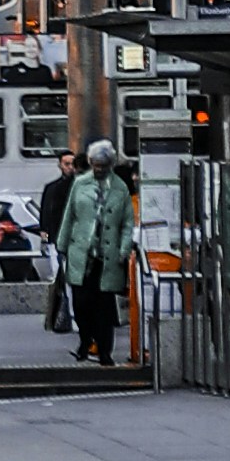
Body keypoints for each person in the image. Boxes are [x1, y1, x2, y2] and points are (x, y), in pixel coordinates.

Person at [61, 137, 138, 375]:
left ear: (111, 165)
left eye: (104, 166)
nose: (99, 170)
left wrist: (124, 249)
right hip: (81, 254)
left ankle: (105, 351)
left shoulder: (120, 188)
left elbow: (127, 223)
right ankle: (85, 340)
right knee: (81, 303)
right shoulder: (80, 184)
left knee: (104, 307)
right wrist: (62, 245)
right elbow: (69, 215)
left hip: (108, 256)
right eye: (95, 165)